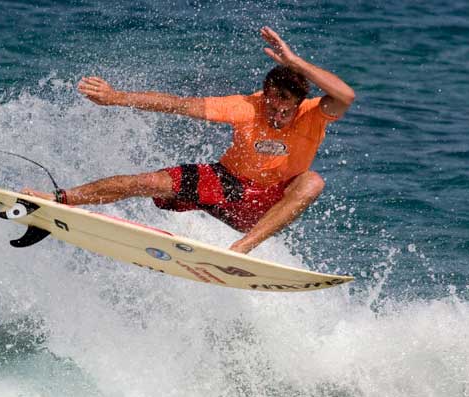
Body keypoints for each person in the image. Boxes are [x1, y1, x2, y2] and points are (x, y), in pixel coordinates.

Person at [23, 26, 355, 254]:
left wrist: (295, 61)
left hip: (265, 207)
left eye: (286, 110)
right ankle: (59, 199)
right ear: (265, 94)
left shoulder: (313, 113)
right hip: (226, 183)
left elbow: (346, 94)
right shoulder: (245, 106)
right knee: (147, 182)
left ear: (298, 104)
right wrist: (115, 96)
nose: (278, 115)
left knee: (312, 181)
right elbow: (177, 104)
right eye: (273, 105)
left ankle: (240, 251)